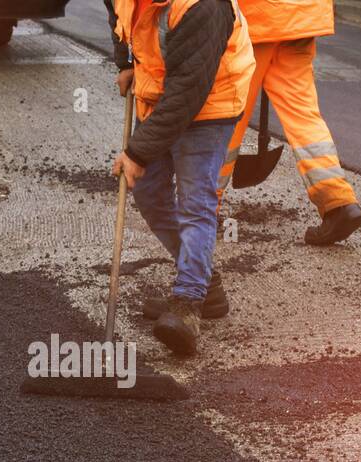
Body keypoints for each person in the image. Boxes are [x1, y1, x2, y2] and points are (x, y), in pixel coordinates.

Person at [106, 0, 255, 357]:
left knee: (195, 202)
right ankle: (205, 283)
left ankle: (188, 304)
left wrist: (137, 152)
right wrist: (126, 61)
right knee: (148, 192)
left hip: (210, 98)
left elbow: (188, 90)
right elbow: (117, 14)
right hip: (159, 92)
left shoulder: (204, 6)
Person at [219, 0, 361, 246]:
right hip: (303, 16)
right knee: (302, 111)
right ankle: (338, 202)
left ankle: (203, 204)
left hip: (257, 18)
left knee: (229, 109)